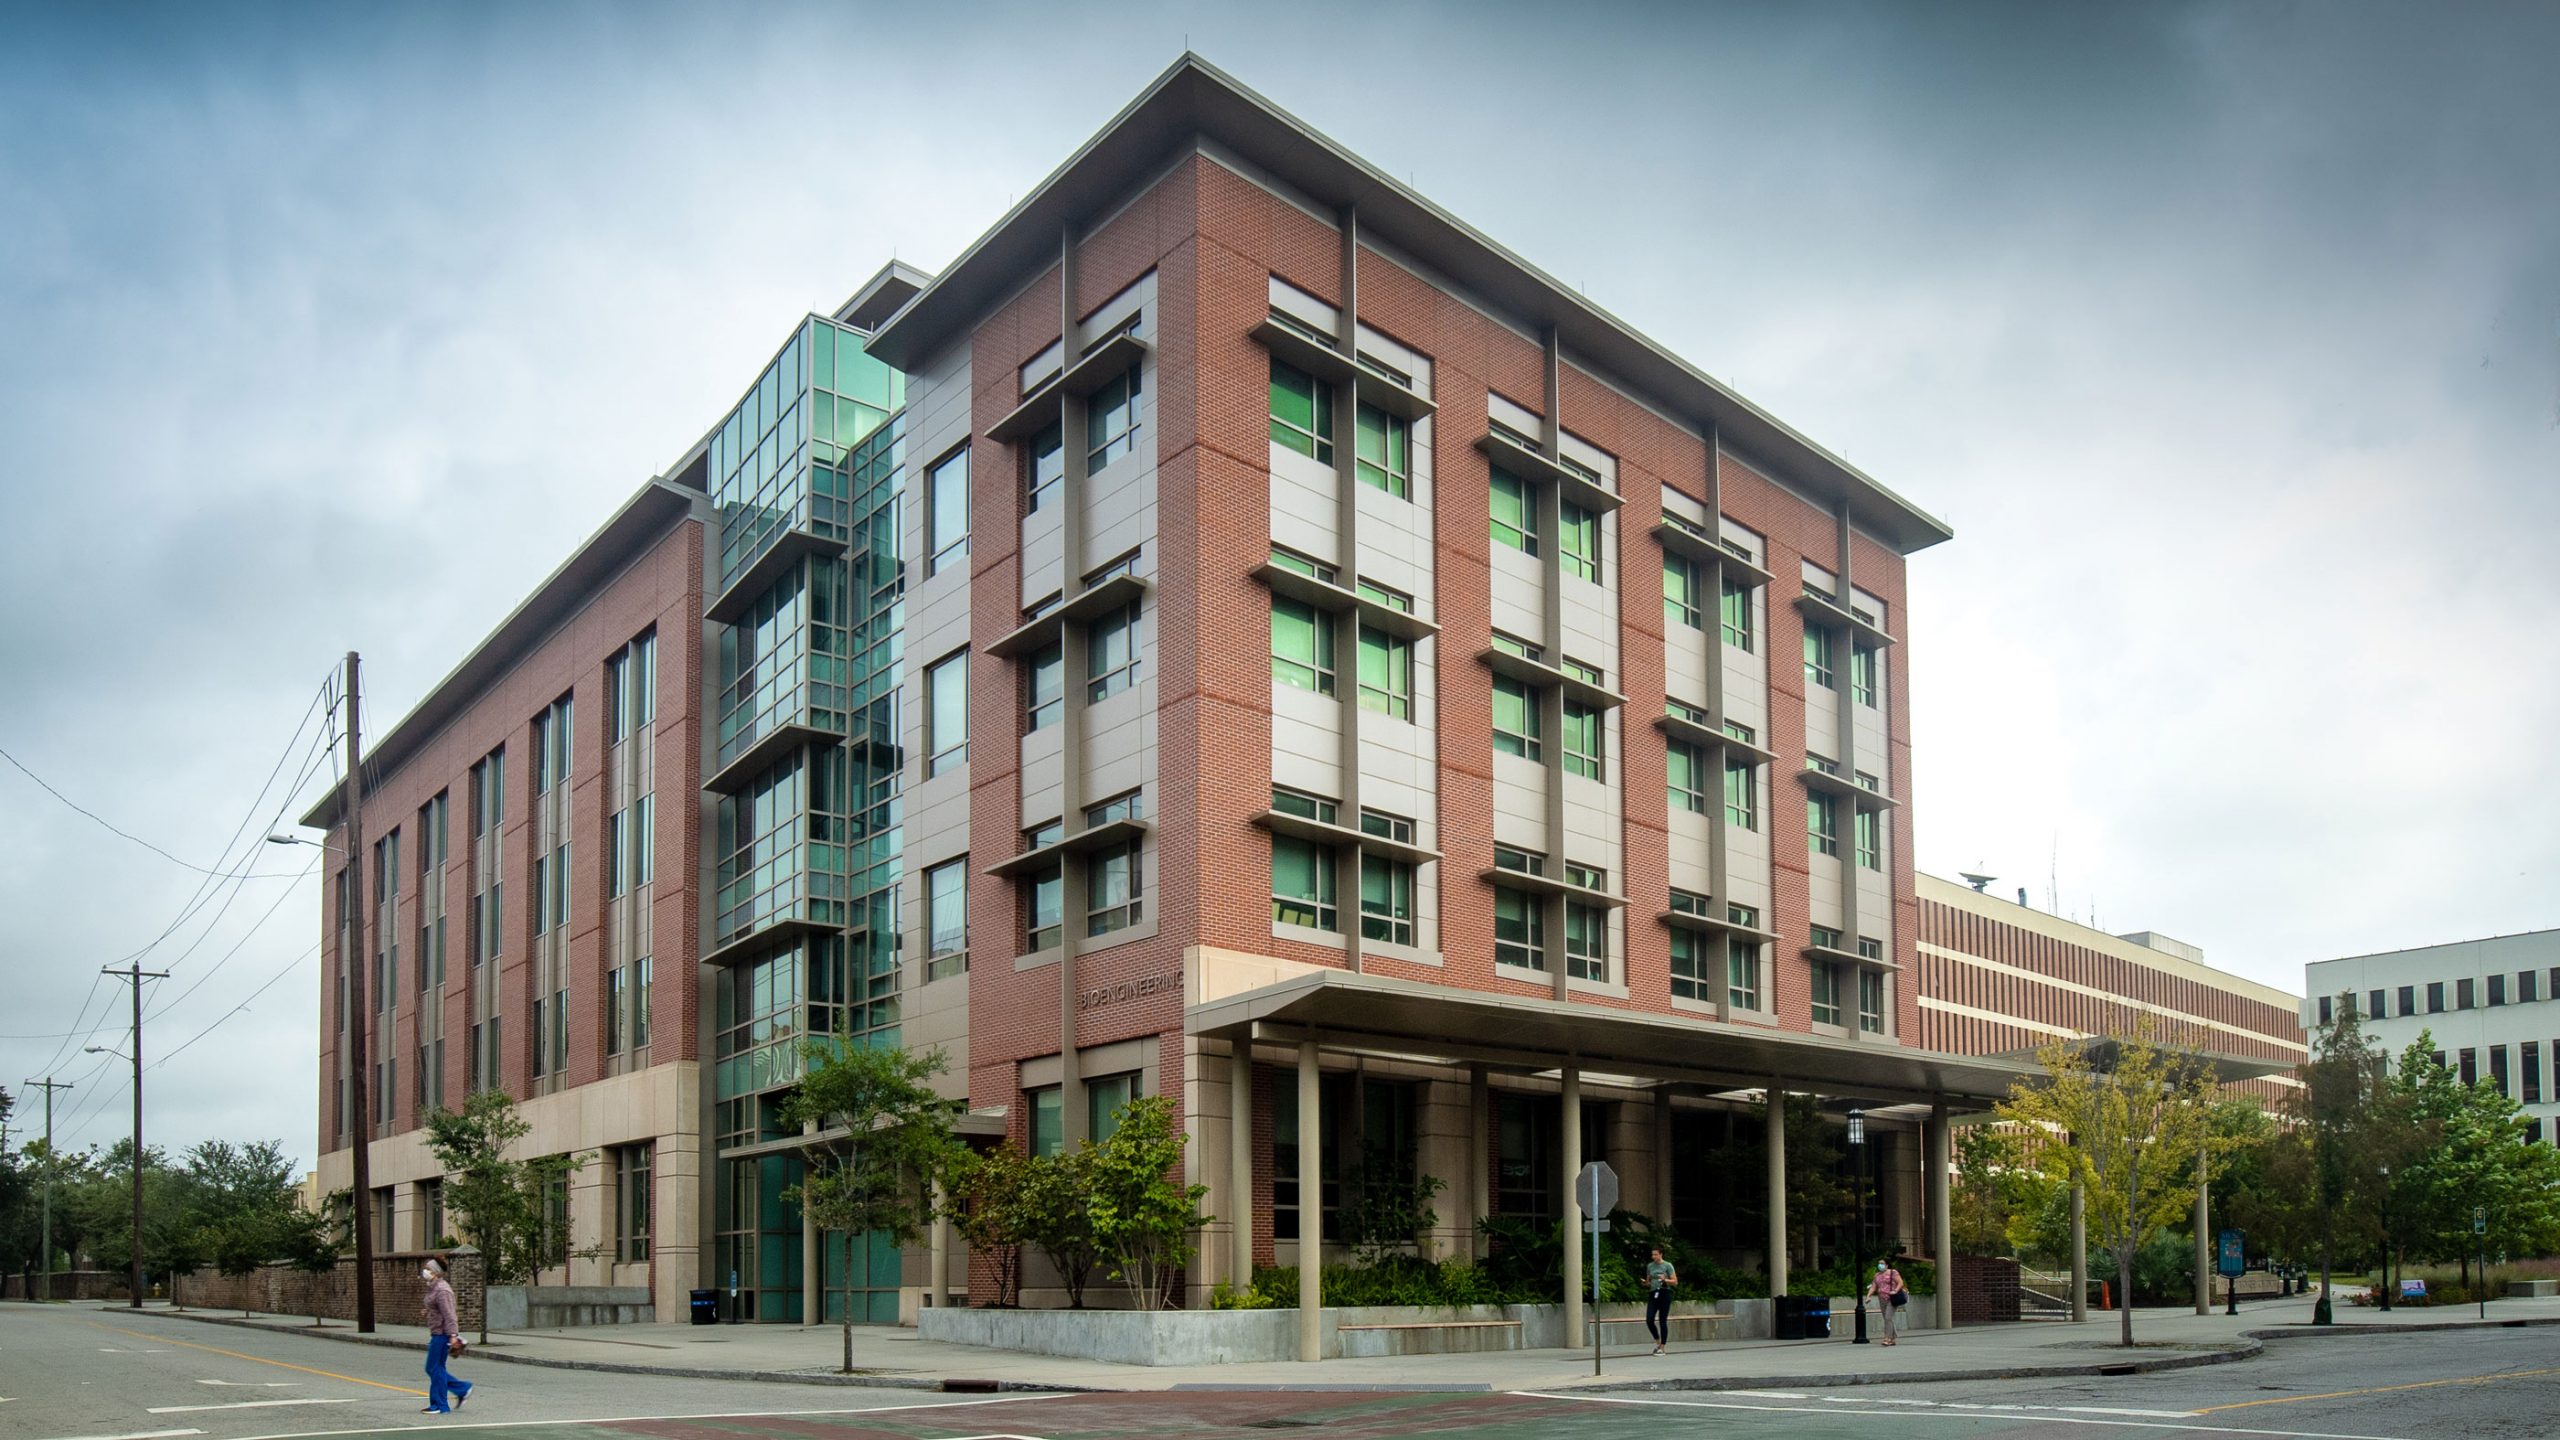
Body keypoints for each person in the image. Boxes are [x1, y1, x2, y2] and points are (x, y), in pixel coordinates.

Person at [421, 1256, 475, 1414]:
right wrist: (428, 1312)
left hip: (443, 1334)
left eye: (429, 1269)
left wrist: (453, 1335)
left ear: (436, 1272)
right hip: (437, 1332)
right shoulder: (433, 1287)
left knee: (433, 1367)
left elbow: (450, 1314)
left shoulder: (443, 1290)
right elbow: (437, 1309)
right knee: (436, 1368)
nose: (426, 1271)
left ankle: (441, 1404)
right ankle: (458, 1391)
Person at [1642, 1246, 1679, 1355]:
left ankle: (1662, 1346)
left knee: (1663, 1320)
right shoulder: (1650, 1266)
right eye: (1652, 1255)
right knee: (1649, 1319)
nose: (1654, 1257)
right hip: (1653, 1293)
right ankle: (1657, 1341)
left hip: (1664, 1293)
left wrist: (1665, 1280)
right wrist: (1645, 1283)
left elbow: (1675, 1282)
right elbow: (1649, 1282)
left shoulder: (1667, 1265)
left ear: (1661, 1254)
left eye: (1656, 1254)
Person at [1867, 1258, 1907, 1345]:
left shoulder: (1893, 1272)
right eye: (1879, 1263)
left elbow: (1900, 1282)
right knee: (1887, 1318)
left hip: (1892, 1298)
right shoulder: (1877, 1275)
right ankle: (1893, 1338)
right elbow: (1873, 1287)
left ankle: (1887, 1338)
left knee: (1888, 1318)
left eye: (1882, 1263)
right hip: (1882, 1298)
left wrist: (1895, 1290)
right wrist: (1868, 1296)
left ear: (1887, 1265)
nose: (1880, 1265)